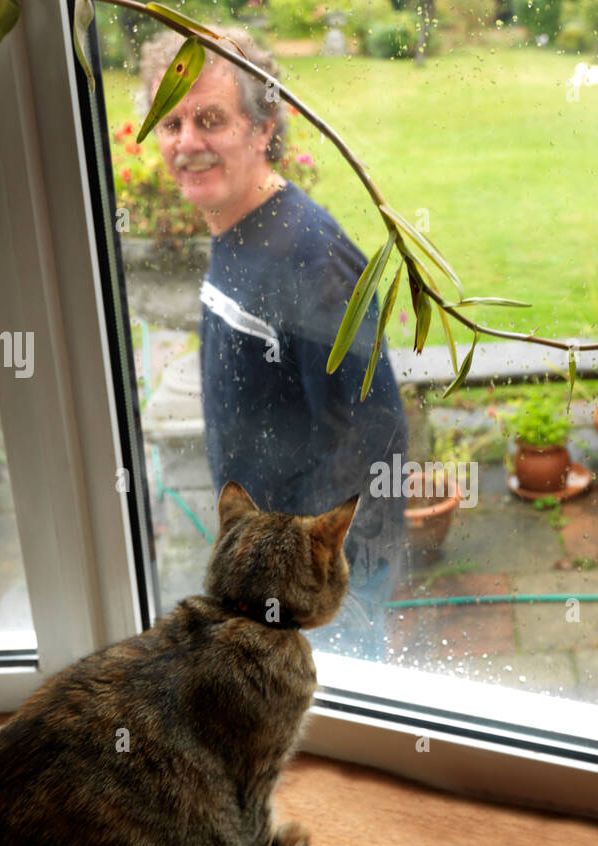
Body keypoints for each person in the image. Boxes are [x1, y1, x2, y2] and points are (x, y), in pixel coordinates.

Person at [140, 27, 409, 660]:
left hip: (309, 592)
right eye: (170, 121)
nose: (187, 142)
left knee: (335, 739)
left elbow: (377, 431)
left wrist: (305, 579)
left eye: (210, 119)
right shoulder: (233, 224)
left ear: (263, 128)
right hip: (263, 568)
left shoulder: (309, 255)